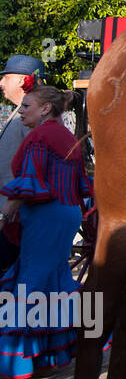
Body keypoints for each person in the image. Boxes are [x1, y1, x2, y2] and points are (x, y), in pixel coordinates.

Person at [0, 82, 92, 379]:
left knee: (30, 283)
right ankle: (76, 341)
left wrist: (6, 213)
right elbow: (79, 183)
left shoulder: (40, 136)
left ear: (45, 109)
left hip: (46, 214)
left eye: (27, 106)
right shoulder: (66, 136)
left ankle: (18, 361)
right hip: (66, 212)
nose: (22, 111)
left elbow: (30, 181)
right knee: (54, 280)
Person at [0, 55, 45, 275]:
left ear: (21, 80)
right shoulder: (20, 112)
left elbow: (34, 161)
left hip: (16, 214)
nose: (1, 83)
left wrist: (10, 210)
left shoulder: (30, 115)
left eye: (5, 77)